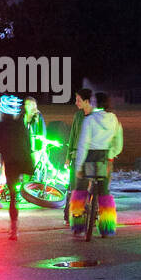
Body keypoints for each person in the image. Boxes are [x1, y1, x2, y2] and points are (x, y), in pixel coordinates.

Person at [70, 92, 124, 236]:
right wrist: (111, 154)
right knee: (104, 193)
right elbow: (118, 143)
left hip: (89, 157)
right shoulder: (113, 119)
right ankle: (106, 228)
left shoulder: (90, 120)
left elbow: (83, 144)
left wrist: (79, 166)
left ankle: (78, 225)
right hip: (104, 158)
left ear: (96, 103)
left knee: (80, 191)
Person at [0, 94, 35, 239]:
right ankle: (14, 226)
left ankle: (14, 228)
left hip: (10, 162)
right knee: (15, 191)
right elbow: (27, 143)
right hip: (22, 160)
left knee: (13, 196)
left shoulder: (0, 125)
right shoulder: (20, 124)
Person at [62, 88, 93, 224]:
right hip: (76, 157)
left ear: (87, 101)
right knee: (73, 187)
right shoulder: (78, 116)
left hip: (90, 157)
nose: (76, 103)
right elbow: (72, 136)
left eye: (78, 100)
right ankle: (71, 214)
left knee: (88, 187)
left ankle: (90, 213)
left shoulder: (95, 117)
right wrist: (68, 157)